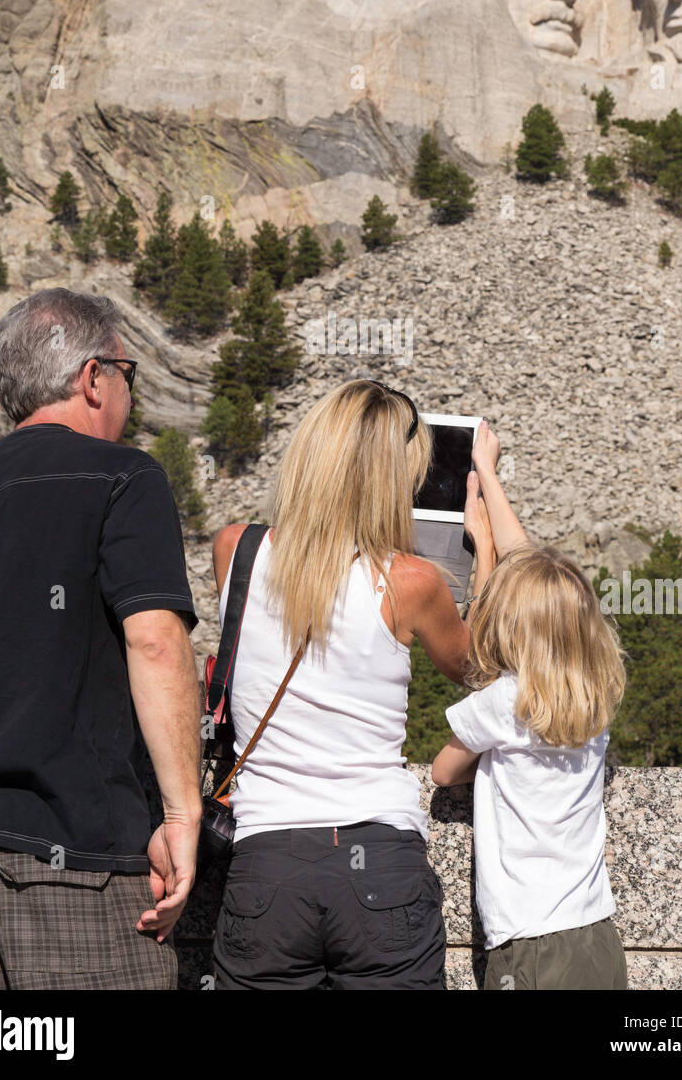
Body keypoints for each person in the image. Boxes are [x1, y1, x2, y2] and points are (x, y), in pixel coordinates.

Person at [0, 288, 201, 990]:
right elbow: (156, 644)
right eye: (126, 375)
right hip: (72, 857)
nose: (128, 394)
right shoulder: (123, 478)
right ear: (92, 378)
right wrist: (181, 813)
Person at [210, 379, 470, 990]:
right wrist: (477, 542)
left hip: (266, 865)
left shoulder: (236, 550)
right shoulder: (413, 581)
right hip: (380, 861)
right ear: (396, 479)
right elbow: (477, 668)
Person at [432, 420, 628, 991]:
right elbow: (545, 587)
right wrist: (489, 479)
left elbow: (444, 772)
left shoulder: (506, 700)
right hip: (596, 933)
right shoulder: (593, 695)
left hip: (531, 943)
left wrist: (483, 552)